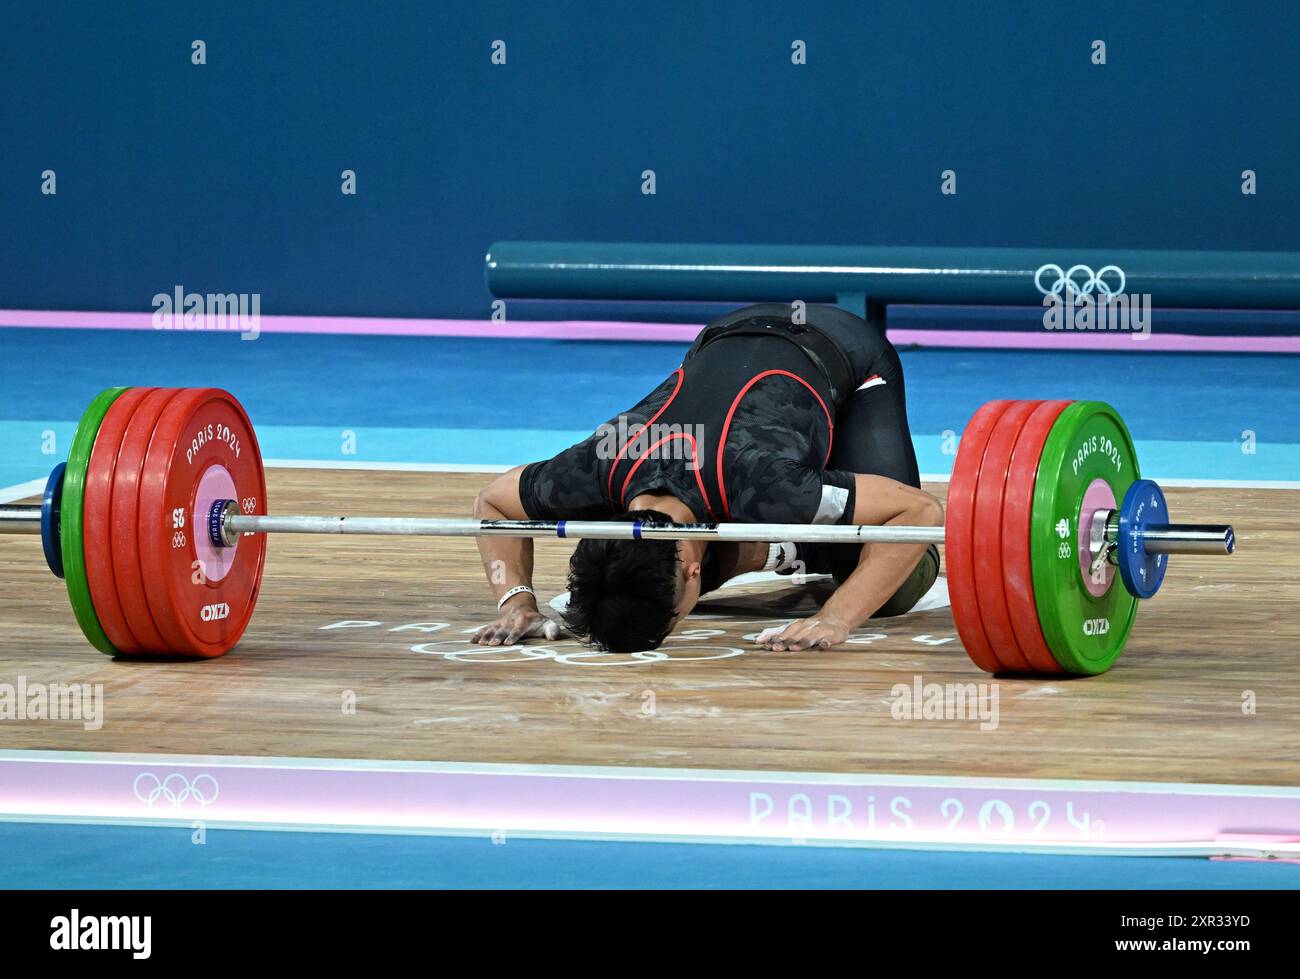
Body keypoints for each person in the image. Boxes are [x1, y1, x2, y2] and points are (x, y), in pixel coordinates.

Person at [471, 303, 943, 652]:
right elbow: (492, 504)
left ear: (693, 571)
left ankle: (793, 548)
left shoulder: (763, 484)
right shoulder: (598, 466)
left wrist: (835, 619)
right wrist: (516, 601)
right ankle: (781, 550)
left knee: (892, 584)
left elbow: (918, 512)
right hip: (725, 332)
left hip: (844, 350)